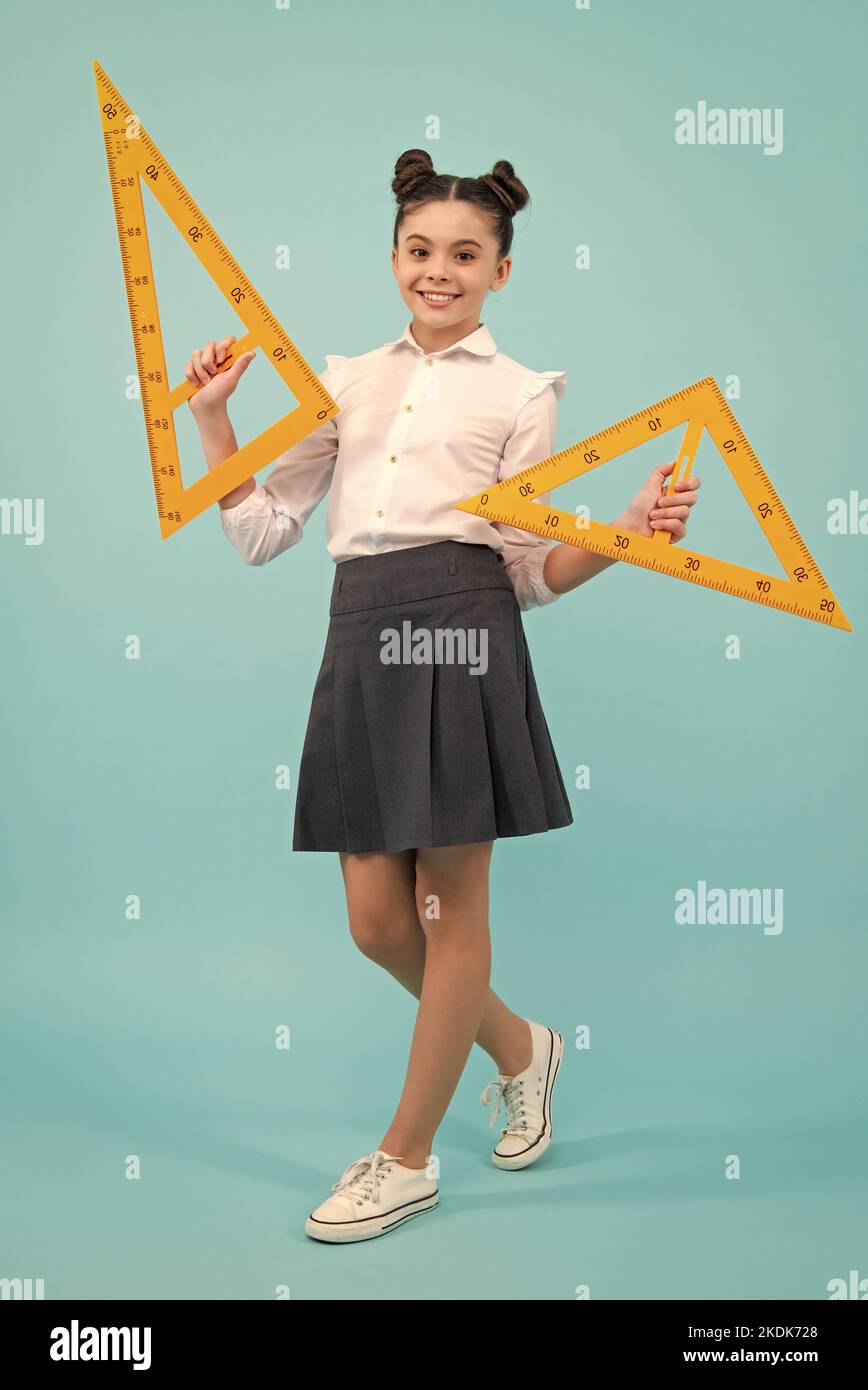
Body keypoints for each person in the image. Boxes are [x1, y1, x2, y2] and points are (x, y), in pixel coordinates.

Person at [184, 148, 701, 1244]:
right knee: (378, 922)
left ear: (500, 272)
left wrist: (624, 536)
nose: (439, 269)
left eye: (465, 254)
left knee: (447, 909)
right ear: (393, 259)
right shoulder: (345, 382)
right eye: (421, 250)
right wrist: (217, 421)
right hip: (361, 631)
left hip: (465, 627)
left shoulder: (524, 393)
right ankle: (523, 1050)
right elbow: (262, 531)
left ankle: (404, 1159)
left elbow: (527, 569)